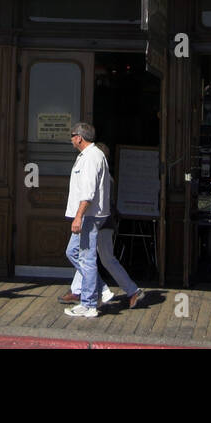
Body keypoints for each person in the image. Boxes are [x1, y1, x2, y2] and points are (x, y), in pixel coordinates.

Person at [61, 143, 144, 309]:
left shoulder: (100, 174)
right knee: (96, 258)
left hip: (98, 222)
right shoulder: (106, 175)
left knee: (88, 256)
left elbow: (94, 199)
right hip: (104, 223)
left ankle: (104, 289)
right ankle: (129, 290)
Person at [63, 122, 109, 318]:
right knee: (73, 252)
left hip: (89, 215)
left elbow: (88, 193)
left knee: (87, 259)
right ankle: (101, 289)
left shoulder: (91, 157)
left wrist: (79, 217)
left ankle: (89, 304)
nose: (71, 139)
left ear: (79, 137)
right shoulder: (89, 155)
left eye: (72, 135)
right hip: (88, 215)